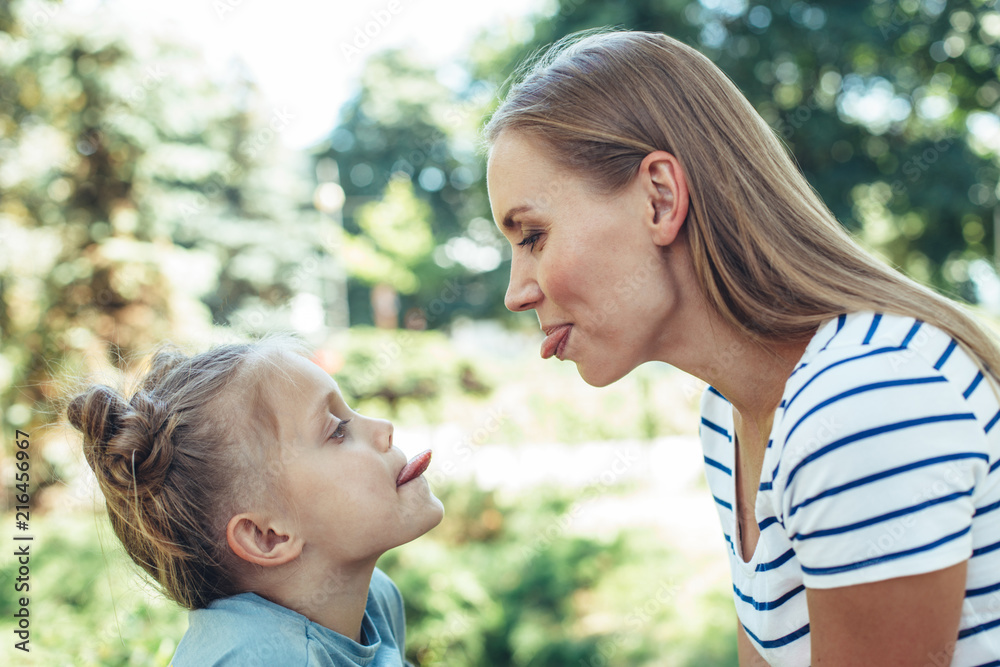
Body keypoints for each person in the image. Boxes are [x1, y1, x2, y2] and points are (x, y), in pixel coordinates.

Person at [484, 29, 1000, 666]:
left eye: (533, 235)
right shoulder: (726, 417)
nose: (516, 293)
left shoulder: (862, 401)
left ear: (660, 197)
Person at [67, 336, 443, 666]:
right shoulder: (268, 658)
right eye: (337, 431)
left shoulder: (374, 599)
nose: (384, 428)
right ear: (267, 535)